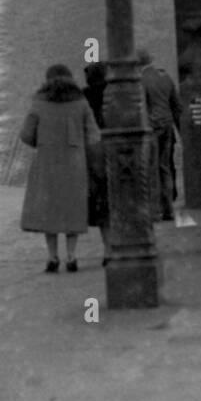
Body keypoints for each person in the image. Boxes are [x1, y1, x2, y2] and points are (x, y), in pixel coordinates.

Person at [19, 63, 101, 273]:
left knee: (50, 210)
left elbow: (26, 134)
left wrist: (43, 141)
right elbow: (93, 135)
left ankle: (52, 256)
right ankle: (72, 257)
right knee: (72, 208)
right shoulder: (80, 103)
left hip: (47, 162)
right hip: (74, 161)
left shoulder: (39, 103)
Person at [136, 48, 182, 222]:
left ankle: (155, 211)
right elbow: (177, 105)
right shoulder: (165, 77)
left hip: (151, 129)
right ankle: (169, 209)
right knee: (165, 168)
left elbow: (142, 109)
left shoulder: (141, 81)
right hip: (167, 127)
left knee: (151, 169)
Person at [82, 61, 113, 264]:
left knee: (101, 201)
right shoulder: (113, 92)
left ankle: (108, 248)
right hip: (113, 145)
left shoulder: (84, 96)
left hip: (92, 149)